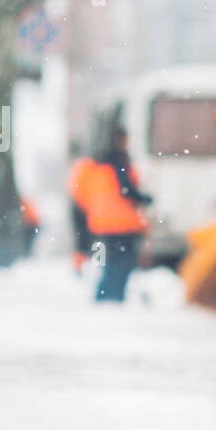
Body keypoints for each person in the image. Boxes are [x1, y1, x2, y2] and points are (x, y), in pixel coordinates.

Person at [74, 129, 151, 302]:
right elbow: (126, 190)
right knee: (123, 263)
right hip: (122, 222)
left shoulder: (98, 163)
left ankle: (105, 295)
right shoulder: (119, 160)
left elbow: (83, 196)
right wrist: (144, 198)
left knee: (112, 262)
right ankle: (112, 297)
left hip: (103, 221)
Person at [66, 153, 95, 274]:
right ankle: (81, 266)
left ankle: (80, 265)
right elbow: (83, 192)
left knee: (81, 240)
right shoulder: (87, 168)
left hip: (79, 208)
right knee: (83, 240)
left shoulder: (78, 167)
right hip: (83, 210)